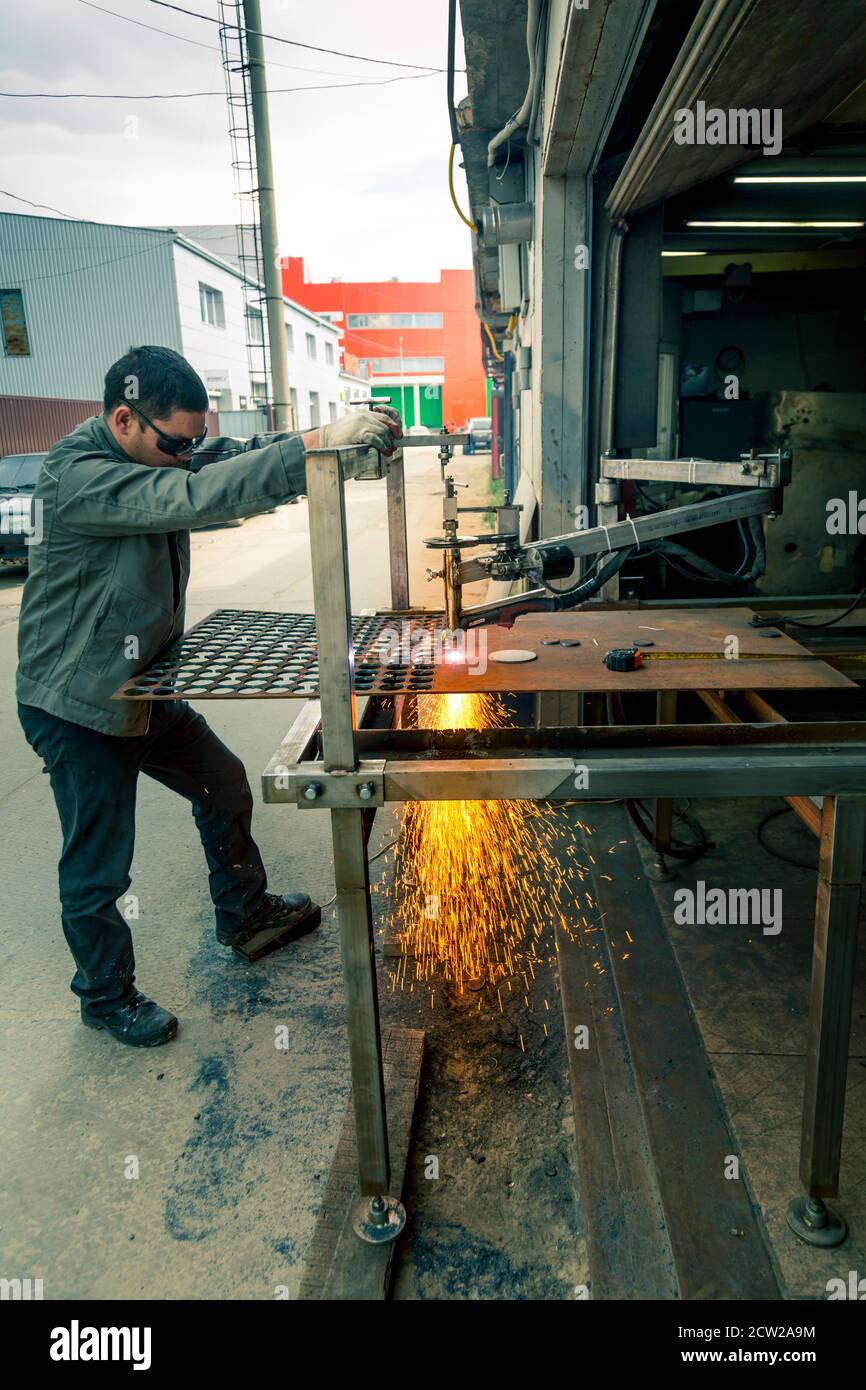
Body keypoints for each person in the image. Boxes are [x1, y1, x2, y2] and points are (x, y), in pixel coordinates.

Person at [17, 345, 402, 1047]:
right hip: (79, 705)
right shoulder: (78, 477)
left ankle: (245, 915)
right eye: (177, 443)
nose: (187, 455)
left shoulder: (150, 450)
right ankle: (104, 997)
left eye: (192, 441)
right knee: (99, 866)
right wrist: (314, 444)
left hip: (143, 685)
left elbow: (222, 461)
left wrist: (319, 444)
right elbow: (194, 496)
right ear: (126, 419)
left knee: (223, 785)